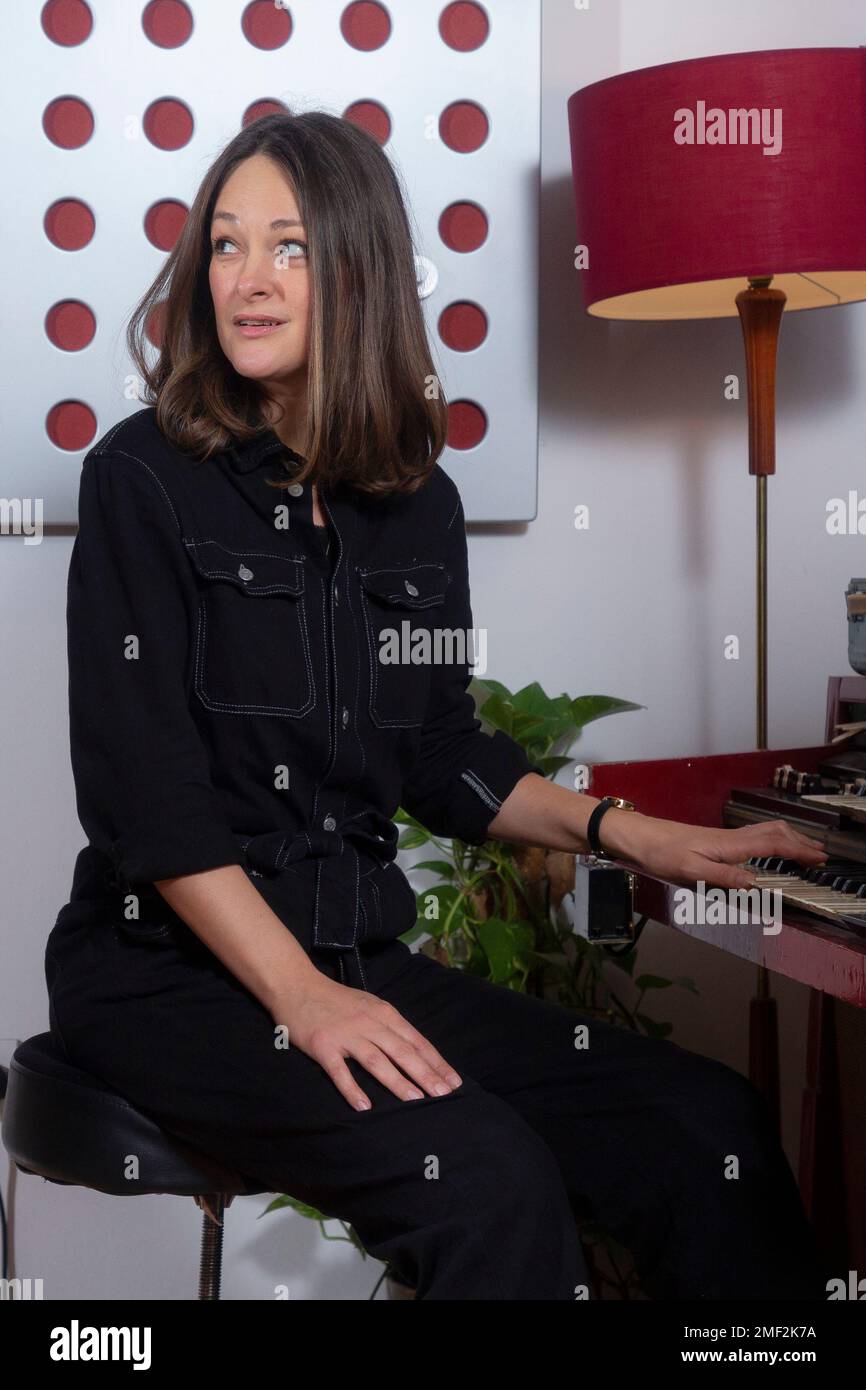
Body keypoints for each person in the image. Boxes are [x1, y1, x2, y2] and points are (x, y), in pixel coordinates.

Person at [45, 111, 829, 1301]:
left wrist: (626, 829)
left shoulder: (418, 500)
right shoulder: (138, 479)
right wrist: (304, 1001)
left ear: (358, 270)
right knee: (484, 1181)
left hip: (355, 953)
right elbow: (149, 808)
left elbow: (439, 752)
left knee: (703, 1128)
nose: (247, 281)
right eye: (224, 244)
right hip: (167, 980)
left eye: (292, 248)